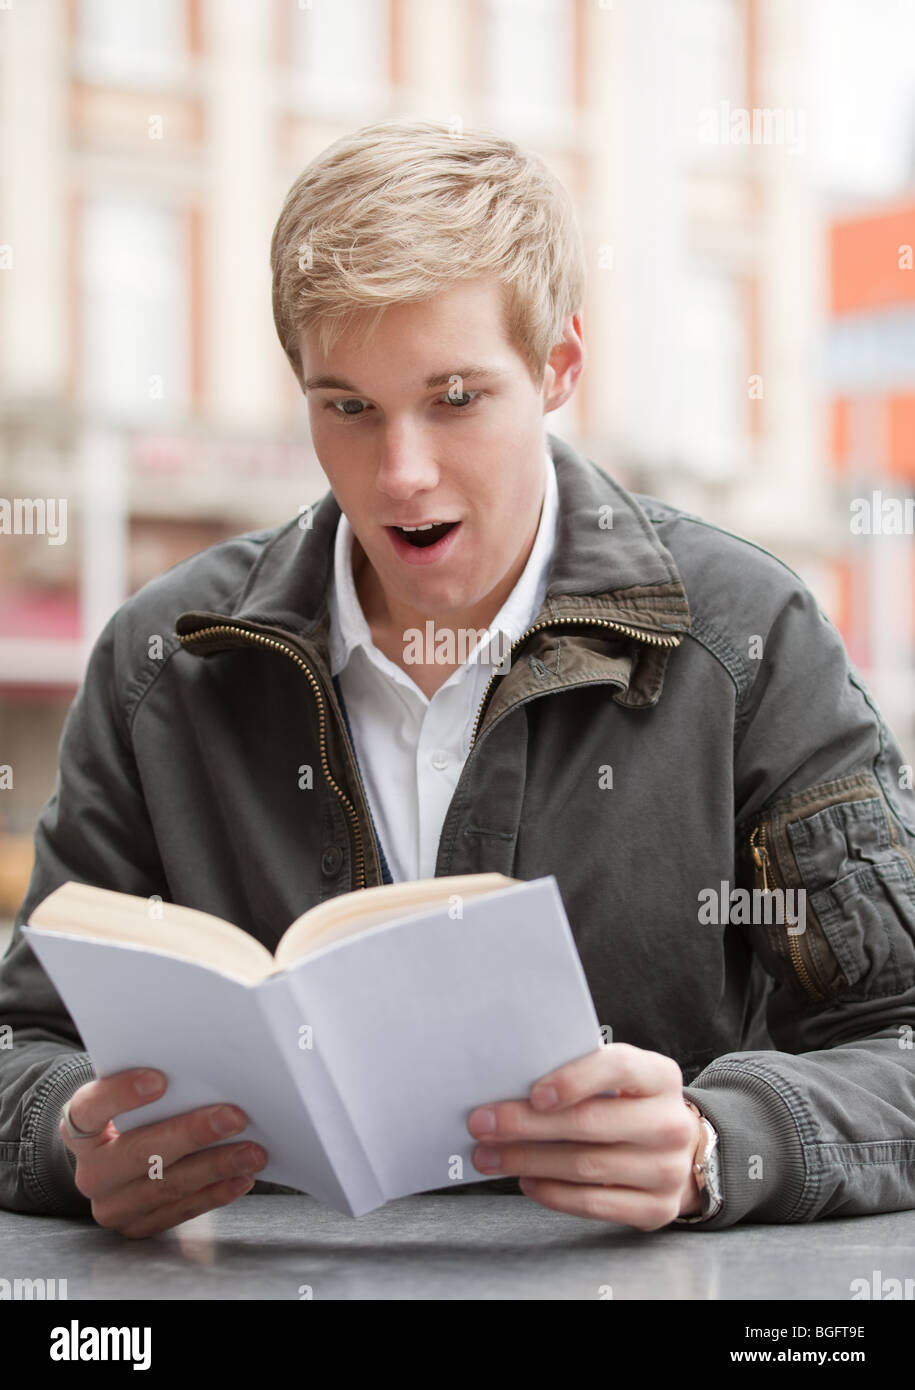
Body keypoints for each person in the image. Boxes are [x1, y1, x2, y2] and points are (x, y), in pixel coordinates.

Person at [1, 119, 914, 1241]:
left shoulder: (748, 636)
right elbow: (23, 1048)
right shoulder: (163, 666)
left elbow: (901, 1039)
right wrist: (71, 1135)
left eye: (455, 399)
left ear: (558, 367)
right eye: (348, 407)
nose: (402, 474)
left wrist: (719, 1143)